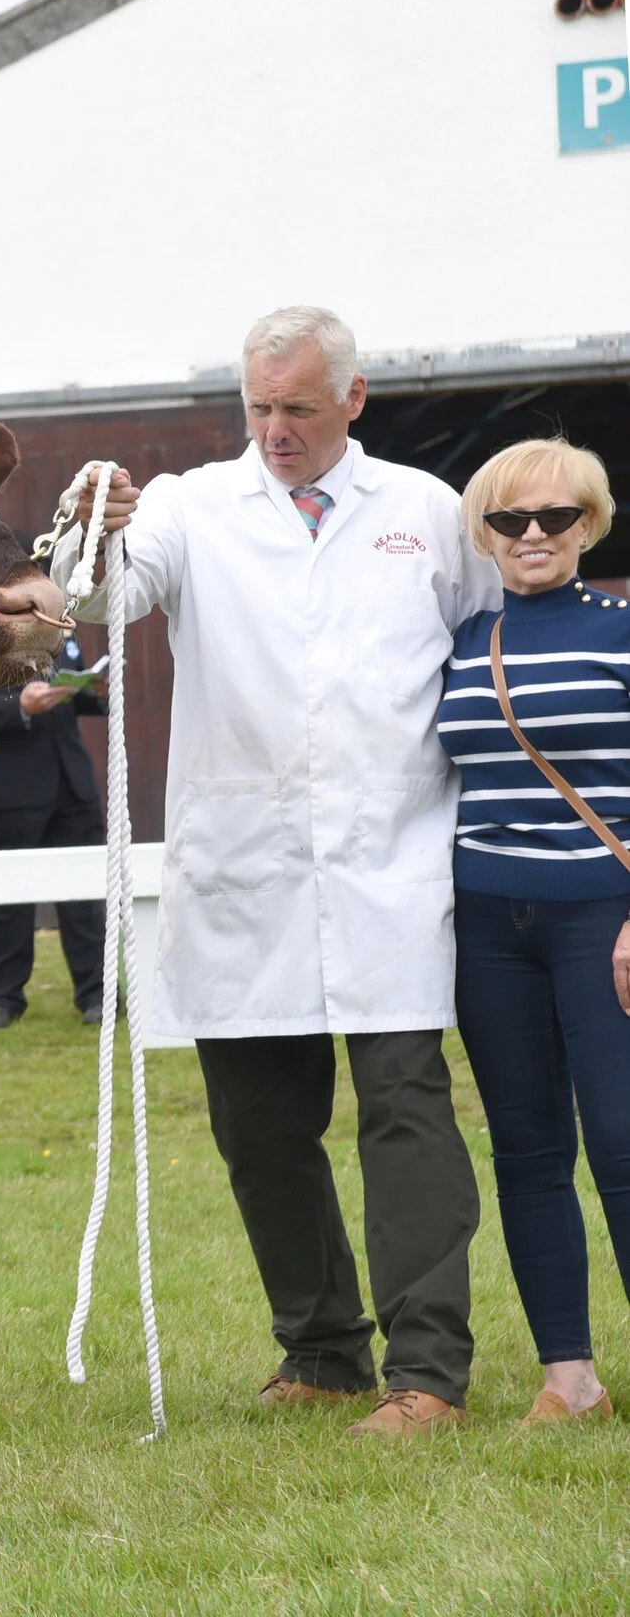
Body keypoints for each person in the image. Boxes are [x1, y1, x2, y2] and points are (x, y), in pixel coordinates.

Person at [62, 305, 501, 1436]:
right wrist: (91, 525)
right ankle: (319, 1346)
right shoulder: (185, 507)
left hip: (392, 866)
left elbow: (492, 650)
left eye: (297, 408)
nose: (274, 431)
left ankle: (426, 1372)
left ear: (352, 399)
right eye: (257, 408)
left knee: (404, 1113)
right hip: (244, 867)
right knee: (258, 1126)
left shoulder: (424, 514)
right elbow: (105, 591)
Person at [437, 439, 626, 1425]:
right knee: (525, 1146)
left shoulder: (623, 629)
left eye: (555, 516)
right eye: (510, 520)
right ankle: (570, 1376)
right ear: (484, 533)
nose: (533, 534)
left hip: (603, 914)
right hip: (487, 921)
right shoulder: (462, 638)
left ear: (589, 523)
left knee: (624, 1137)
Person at [0, 633, 107, 1030]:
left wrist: (95, 690)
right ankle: (4, 997)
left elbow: (71, 692)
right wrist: (18, 705)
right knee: (7, 898)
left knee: (85, 898)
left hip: (71, 783)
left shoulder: (59, 631)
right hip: (9, 787)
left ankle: (98, 992)